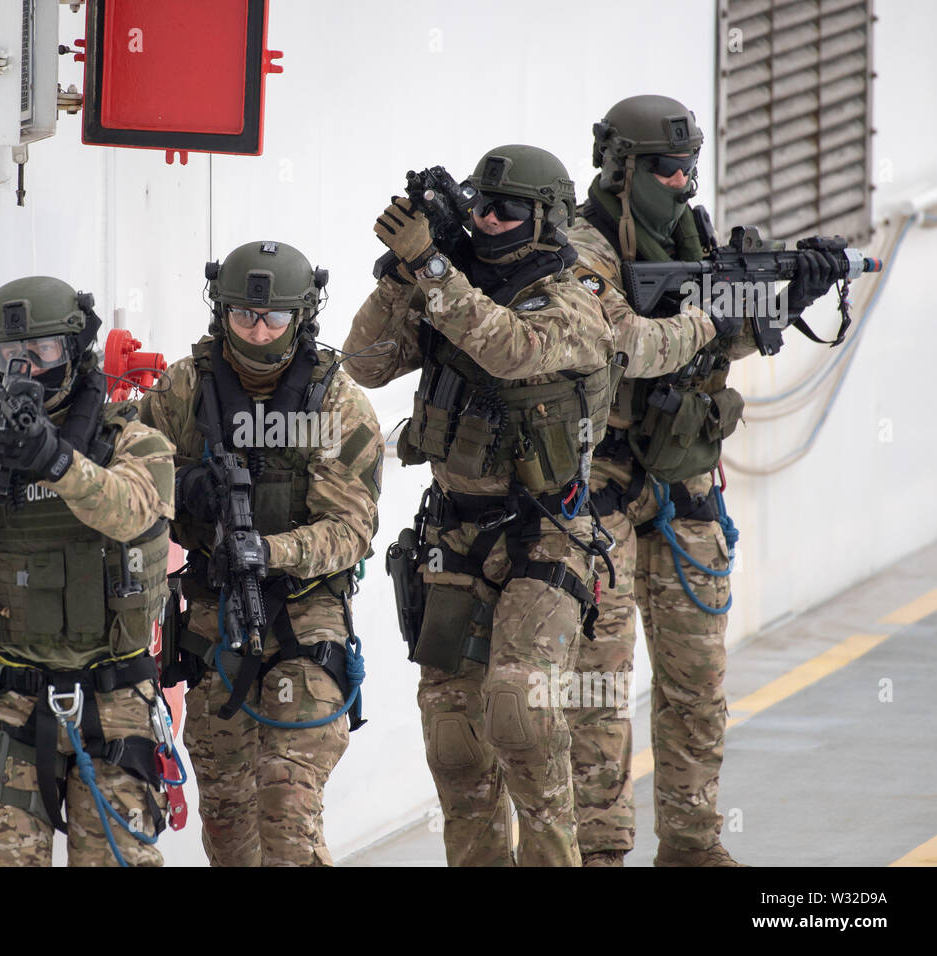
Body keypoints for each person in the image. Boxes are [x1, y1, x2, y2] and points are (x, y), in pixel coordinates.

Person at [566, 95, 837, 867]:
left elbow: (716, 349)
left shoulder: (695, 234)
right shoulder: (580, 249)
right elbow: (625, 347)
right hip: (606, 486)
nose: (683, 182)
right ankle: (601, 853)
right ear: (621, 168)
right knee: (597, 689)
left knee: (696, 687)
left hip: (685, 484)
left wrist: (785, 297)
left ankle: (691, 843)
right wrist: (715, 319)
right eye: (665, 168)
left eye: (690, 166)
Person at [345, 145, 617, 866]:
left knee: (521, 713)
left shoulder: (574, 298)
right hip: (456, 533)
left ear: (544, 218)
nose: (488, 220)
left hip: (546, 533)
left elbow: (510, 350)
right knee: (454, 735)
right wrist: (403, 276)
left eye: (506, 210)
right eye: (478, 207)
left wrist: (435, 268)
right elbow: (365, 363)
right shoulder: (446, 291)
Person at [139, 240, 382, 866]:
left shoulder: (335, 401)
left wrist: (268, 551)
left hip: (306, 616)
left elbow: (350, 530)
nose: (258, 330)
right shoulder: (184, 390)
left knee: (287, 802)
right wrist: (182, 486)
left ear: (302, 316)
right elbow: (129, 484)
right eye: (244, 316)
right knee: (226, 820)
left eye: (274, 317)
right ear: (220, 312)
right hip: (214, 619)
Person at [0, 275, 176, 866]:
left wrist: (57, 462)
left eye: (40, 352)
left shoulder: (131, 440)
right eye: (10, 356)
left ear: (73, 350)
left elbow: (130, 513)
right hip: (18, 698)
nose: (25, 369)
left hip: (115, 700)